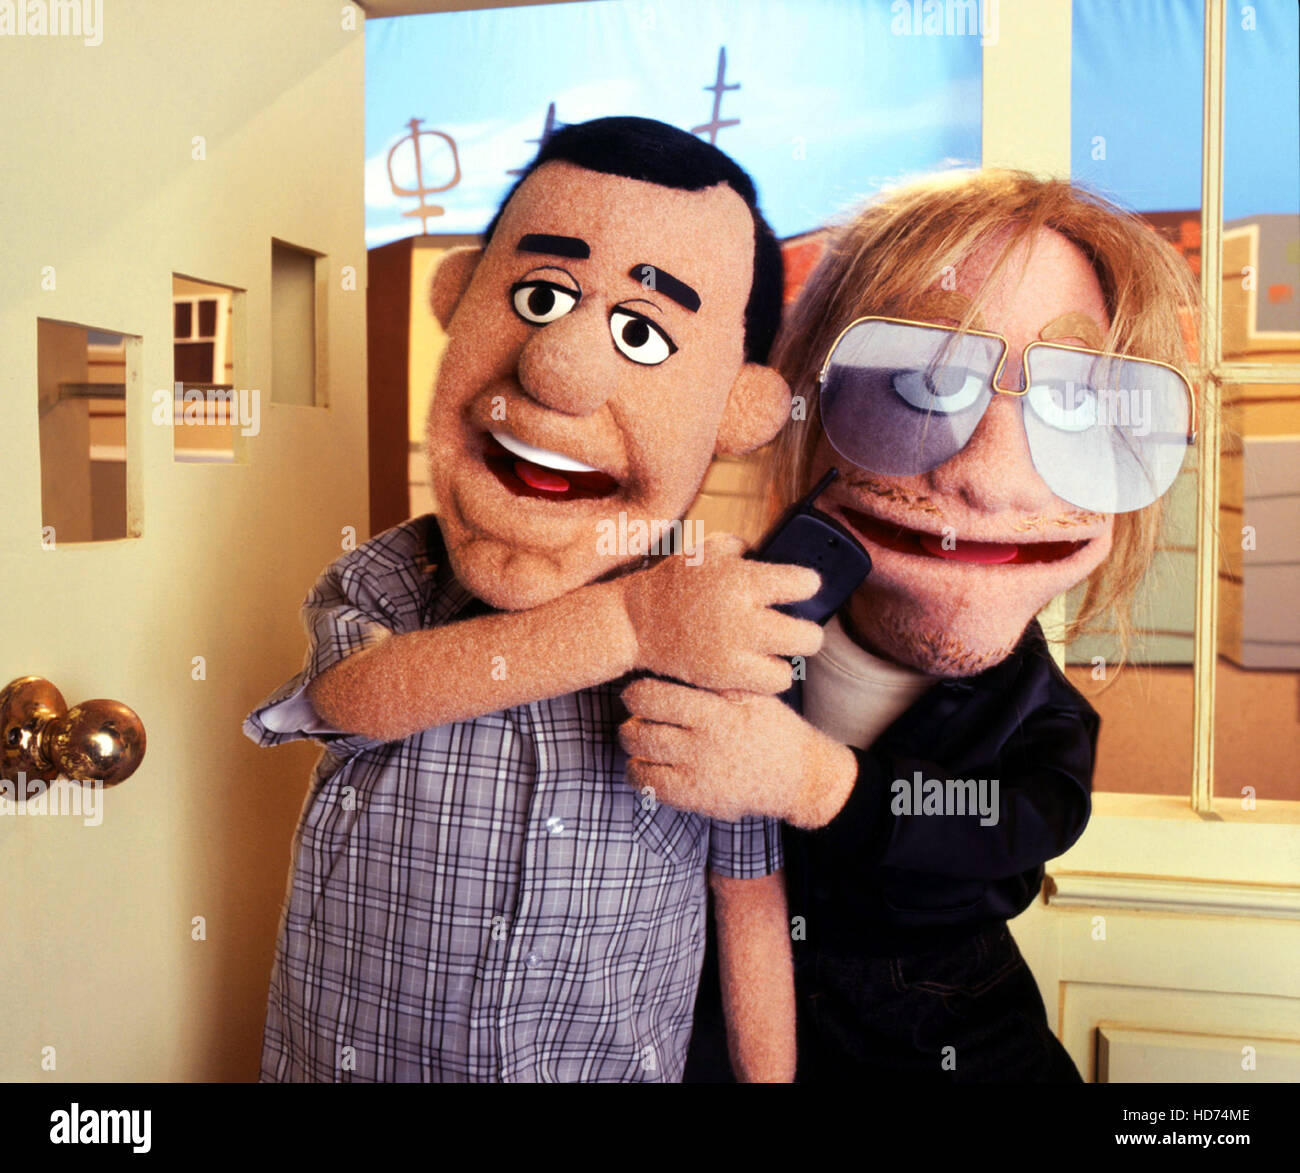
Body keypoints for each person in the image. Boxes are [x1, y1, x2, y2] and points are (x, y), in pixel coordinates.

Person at [243, 117, 817, 1082]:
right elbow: (350, 701)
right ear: (460, 296)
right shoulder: (396, 575)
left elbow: (749, 894)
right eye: (539, 295)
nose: (556, 367)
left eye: (640, 333)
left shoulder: (715, 636)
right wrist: (625, 623)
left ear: (738, 410)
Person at [618, 169, 1201, 1081]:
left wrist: (819, 782)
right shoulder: (726, 608)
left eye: (1076, 402)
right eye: (924, 382)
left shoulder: (1042, 721)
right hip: (709, 1013)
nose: (989, 481)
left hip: (944, 1034)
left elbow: (994, 832)